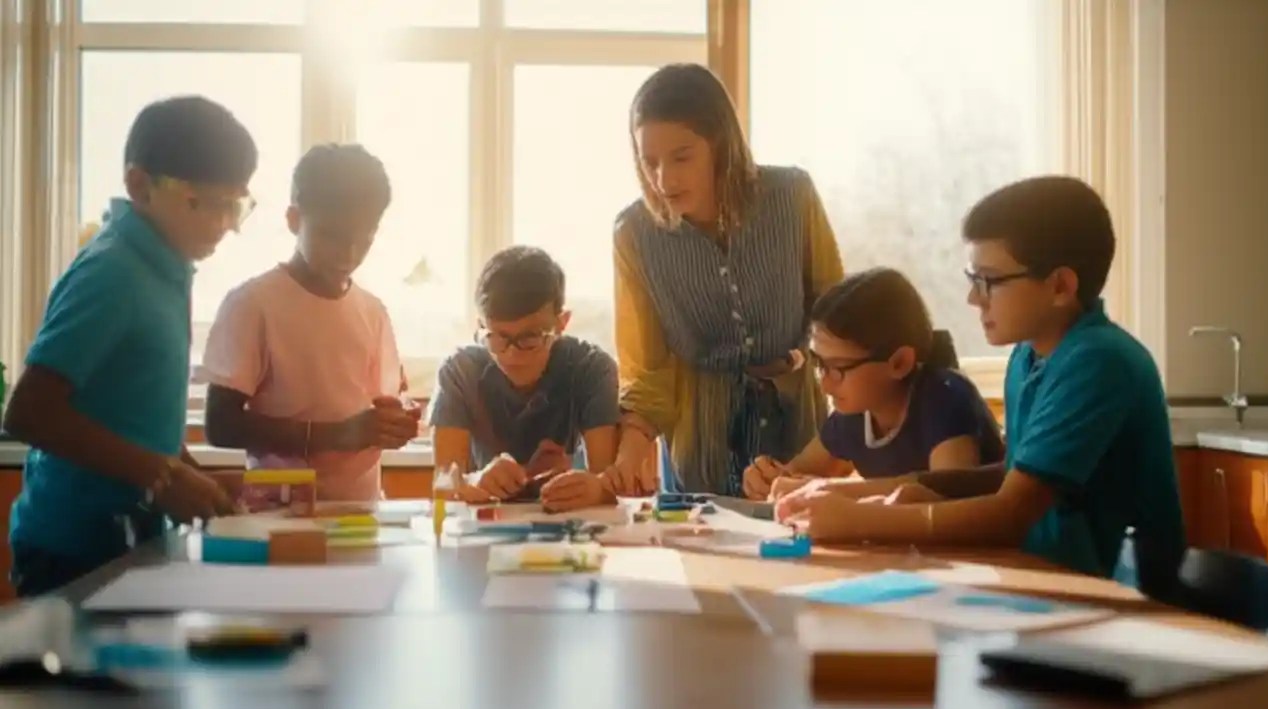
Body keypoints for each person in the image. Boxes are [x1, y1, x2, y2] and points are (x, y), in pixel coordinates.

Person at [776, 176, 1185, 580]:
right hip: (1043, 579)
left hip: (1121, 600)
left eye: (989, 280)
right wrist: (857, 493)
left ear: (1060, 285)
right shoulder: (1030, 355)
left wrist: (861, 520)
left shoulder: (1098, 360)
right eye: (974, 280)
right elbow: (1017, 476)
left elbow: (1012, 512)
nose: (974, 298)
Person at [2, 96, 255, 596]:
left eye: (236, 205)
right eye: (203, 202)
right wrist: (163, 475)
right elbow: (28, 411)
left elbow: (138, 419)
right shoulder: (113, 270)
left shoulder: (167, 268)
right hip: (72, 549)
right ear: (139, 185)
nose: (223, 223)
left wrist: (194, 478)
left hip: (130, 537)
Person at [610, 63, 844, 498]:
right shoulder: (633, 234)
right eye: (650, 162)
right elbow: (647, 369)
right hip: (699, 448)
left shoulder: (792, 196)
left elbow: (837, 313)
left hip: (797, 432)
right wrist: (626, 459)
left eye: (682, 157)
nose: (664, 180)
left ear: (720, 144)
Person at [202, 144, 419, 509]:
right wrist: (337, 435)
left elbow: (377, 409)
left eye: (364, 238)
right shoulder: (253, 304)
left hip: (358, 512)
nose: (348, 254)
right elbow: (220, 425)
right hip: (279, 513)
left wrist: (393, 424)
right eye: (331, 236)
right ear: (293, 220)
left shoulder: (372, 311)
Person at [742, 268, 1003, 501]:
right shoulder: (853, 413)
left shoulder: (945, 399)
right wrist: (770, 481)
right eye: (820, 365)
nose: (825, 385)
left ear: (899, 363)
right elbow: (797, 477)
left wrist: (832, 492)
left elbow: (946, 496)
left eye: (839, 369)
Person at [429, 246, 621, 512]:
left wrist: (596, 489)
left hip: (566, 528)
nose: (512, 355)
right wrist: (474, 481)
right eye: (497, 338)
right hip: (485, 527)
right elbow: (444, 485)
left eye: (530, 338)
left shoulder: (591, 368)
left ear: (562, 323)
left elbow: (610, 483)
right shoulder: (460, 371)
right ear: (480, 326)